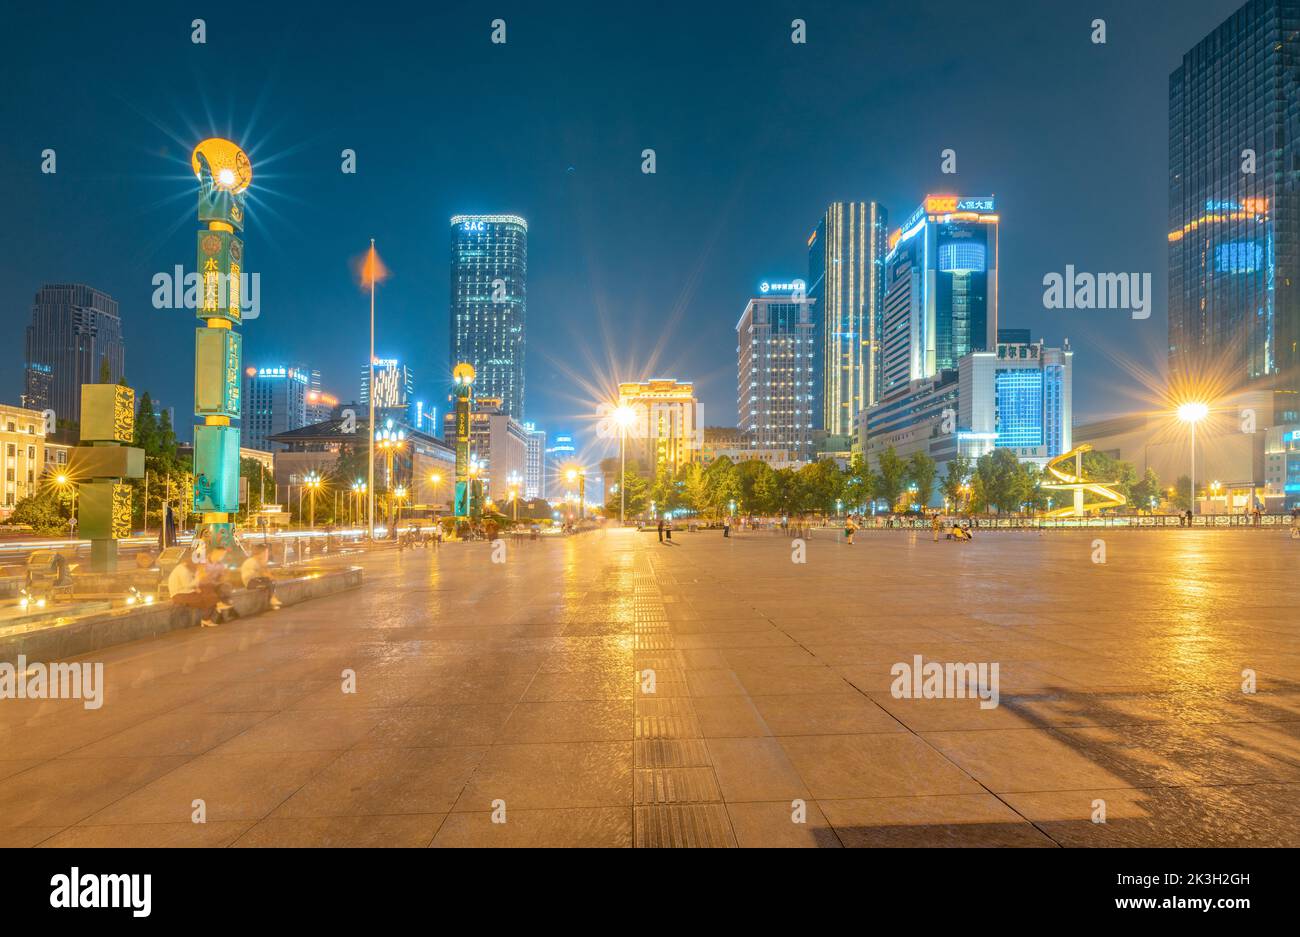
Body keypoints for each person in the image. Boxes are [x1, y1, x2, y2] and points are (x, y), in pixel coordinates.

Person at [168, 552, 219, 628]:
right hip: (180, 595)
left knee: (210, 594)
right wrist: (199, 577)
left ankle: (207, 619)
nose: (200, 566)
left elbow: (192, 584)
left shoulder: (187, 568)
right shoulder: (183, 570)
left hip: (186, 593)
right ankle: (206, 620)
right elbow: (188, 585)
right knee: (211, 598)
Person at [240, 542, 282, 610]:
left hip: (255, 581)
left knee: (270, 582)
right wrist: (272, 577)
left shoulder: (257, 560)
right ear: (261, 552)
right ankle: (272, 600)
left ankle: (272, 601)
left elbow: (266, 574)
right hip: (250, 583)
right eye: (265, 553)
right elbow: (264, 573)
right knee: (270, 582)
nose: (266, 555)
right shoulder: (252, 561)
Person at [203, 546, 237, 621]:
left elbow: (222, 578)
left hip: (216, 585)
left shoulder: (220, 564)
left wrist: (226, 575)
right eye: (221, 554)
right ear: (214, 552)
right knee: (220, 589)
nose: (222, 556)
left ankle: (222, 609)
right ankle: (228, 608)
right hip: (205, 585)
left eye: (223, 555)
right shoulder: (204, 563)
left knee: (227, 586)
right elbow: (201, 577)